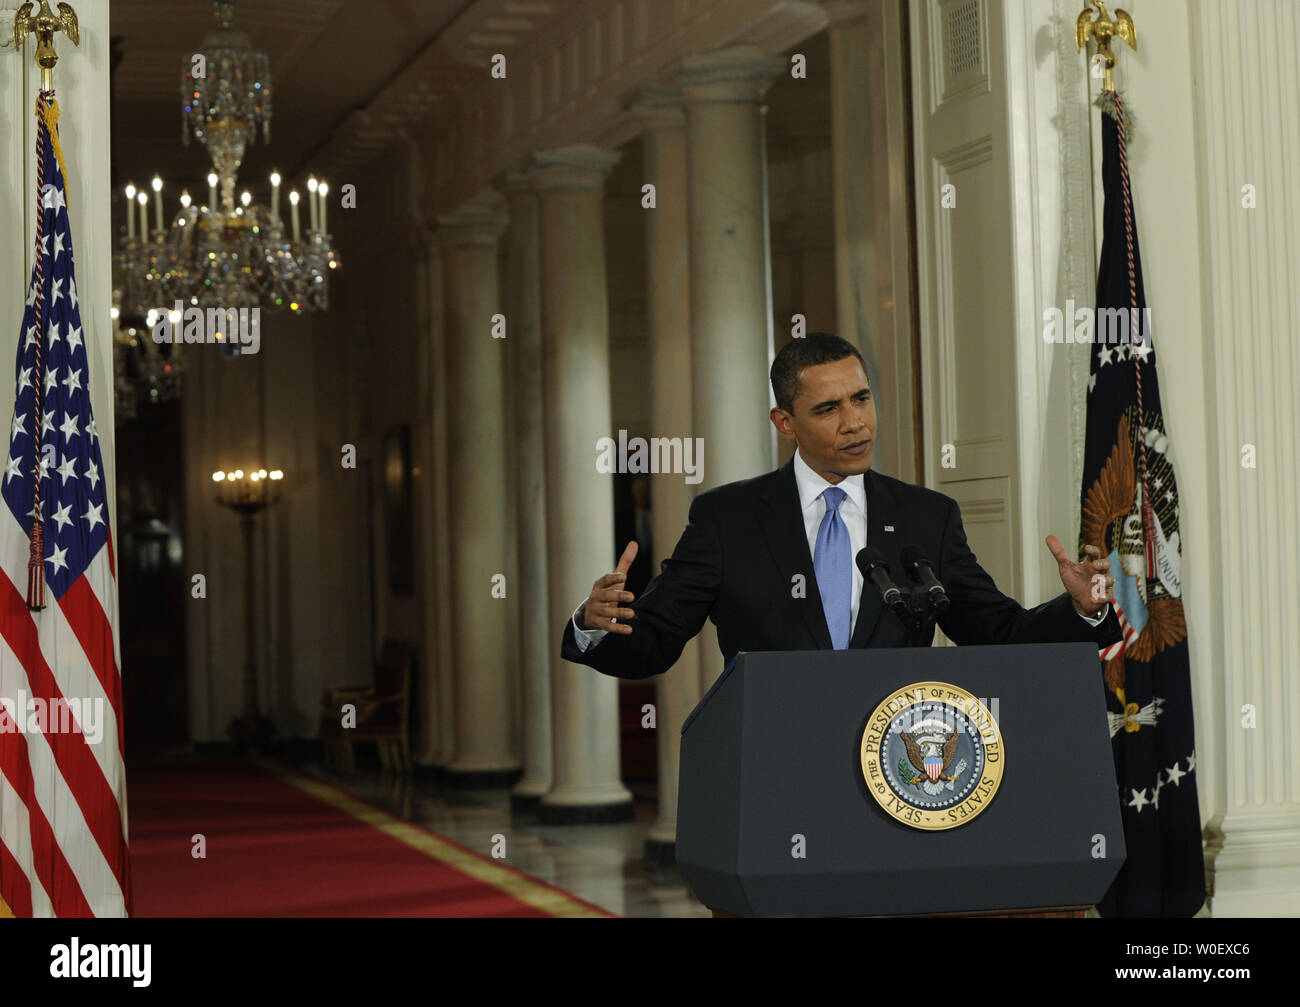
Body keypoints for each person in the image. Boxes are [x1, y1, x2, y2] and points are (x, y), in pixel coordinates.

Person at [562, 332, 1120, 679]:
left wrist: (1081, 609)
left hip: (899, 767)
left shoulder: (928, 516)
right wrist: (595, 624)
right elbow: (654, 644)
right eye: (829, 408)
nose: (855, 423)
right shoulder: (727, 520)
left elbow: (997, 635)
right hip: (776, 764)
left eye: (862, 398)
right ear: (786, 423)